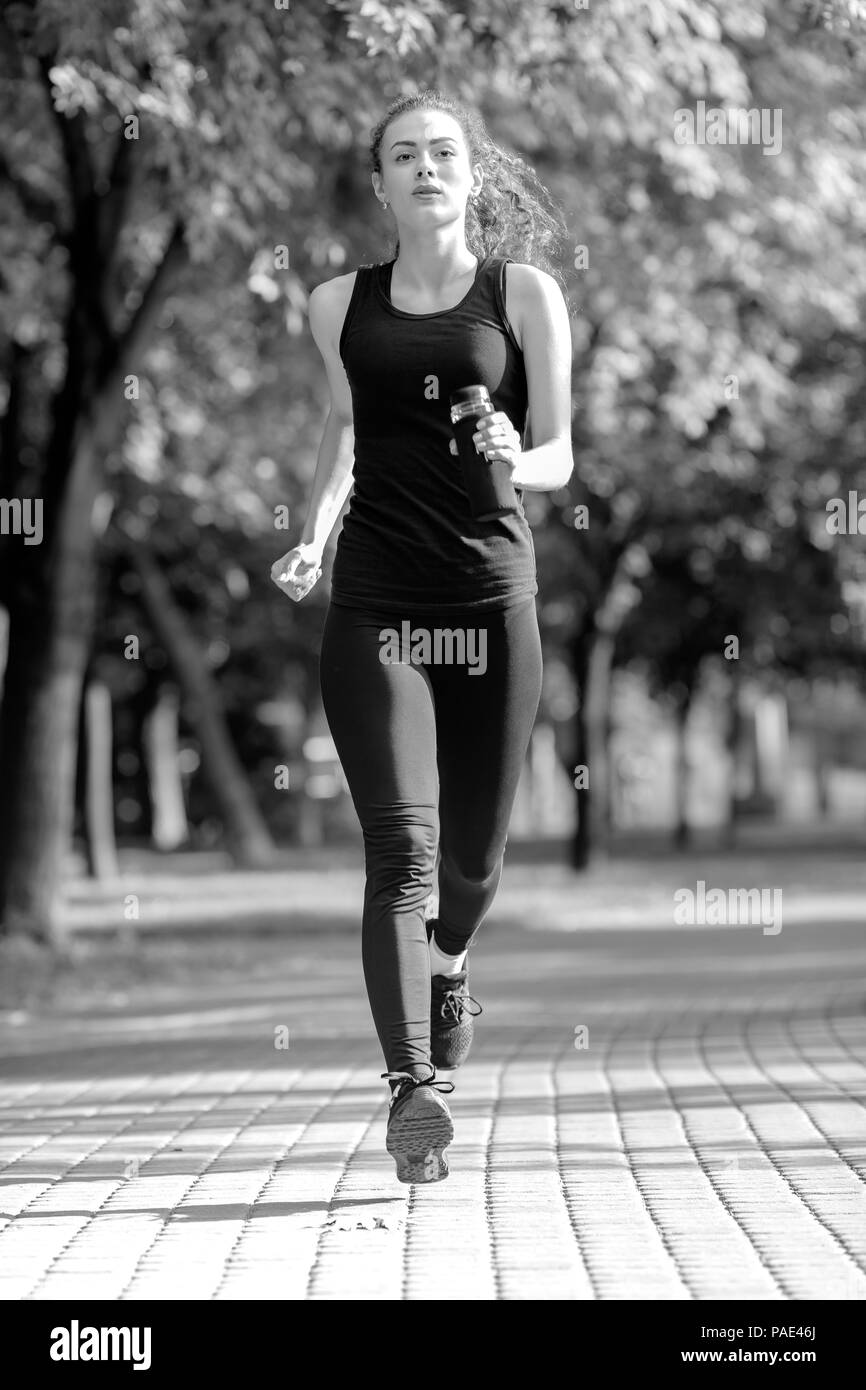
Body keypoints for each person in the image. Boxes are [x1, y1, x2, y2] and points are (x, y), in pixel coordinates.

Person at [271, 89, 573, 1184]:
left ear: (471, 176)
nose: (426, 168)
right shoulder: (335, 305)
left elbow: (560, 453)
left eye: (444, 152)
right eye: (404, 155)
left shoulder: (521, 294)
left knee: (472, 863)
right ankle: (413, 1089)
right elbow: (345, 427)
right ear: (380, 183)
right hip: (378, 607)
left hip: (490, 601)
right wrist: (313, 537)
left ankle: (449, 964)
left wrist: (514, 453)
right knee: (400, 850)